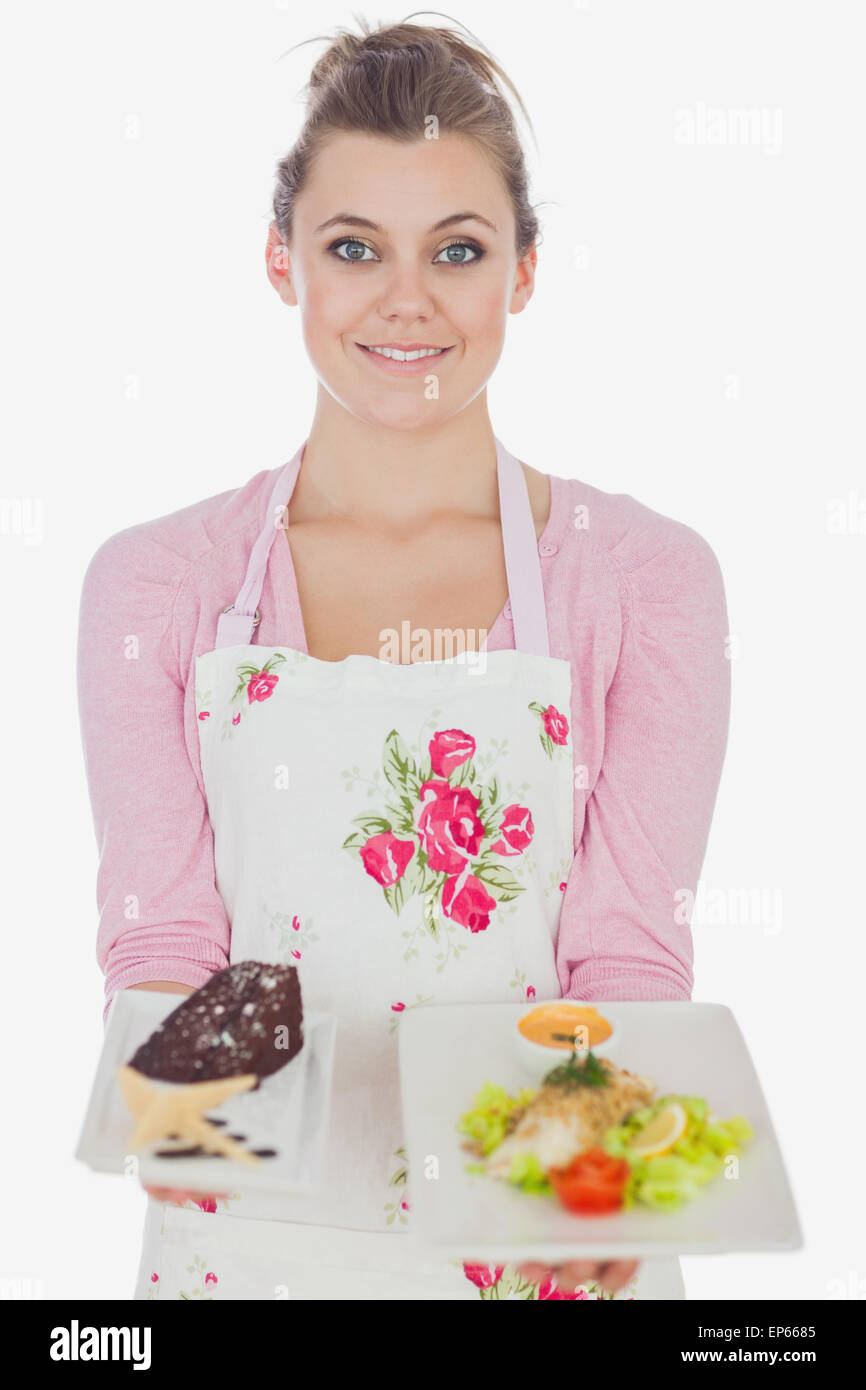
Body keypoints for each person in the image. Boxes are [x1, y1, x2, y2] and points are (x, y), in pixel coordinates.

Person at [76, 19, 729, 1302]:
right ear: (283, 263)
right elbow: (161, 939)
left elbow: (628, 956)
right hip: (245, 1240)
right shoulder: (158, 582)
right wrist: (172, 1129)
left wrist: (594, 1194)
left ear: (523, 273)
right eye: (354, 247)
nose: (406, 300)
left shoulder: (643, 579)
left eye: (460, 250)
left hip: (537, 1231)